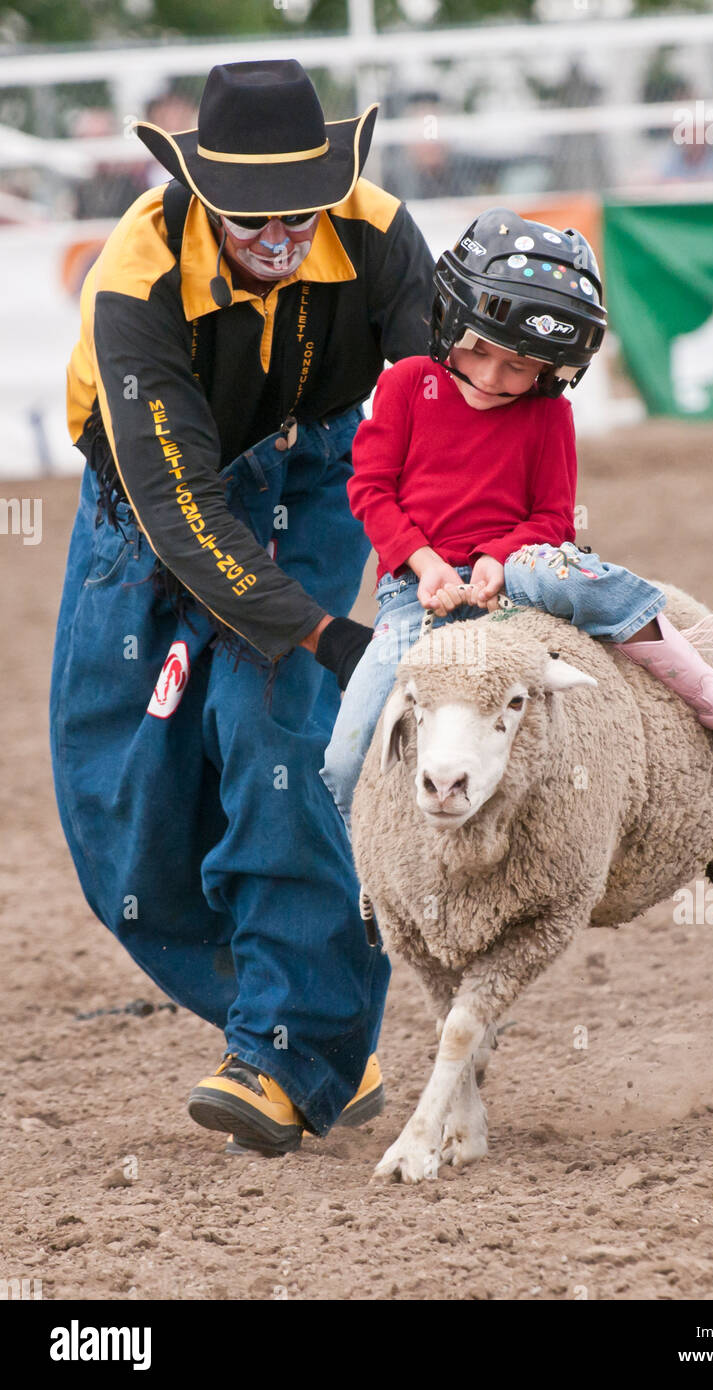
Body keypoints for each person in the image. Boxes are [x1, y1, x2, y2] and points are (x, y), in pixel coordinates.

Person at [51, 58, 435, 1157]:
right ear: (201, 196)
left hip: (314, 473)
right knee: (116, 804)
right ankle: (321, 1018)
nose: (279, 232)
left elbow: (428, 407)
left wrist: (445, 557)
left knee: (267, 725)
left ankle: (286, 1041)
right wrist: (324, 631)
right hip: (148, 506)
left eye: (298, 210)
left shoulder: (378, 234)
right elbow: (178, 504)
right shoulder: (132, 280)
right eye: (249, 214)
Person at [320, 208, 713, 833]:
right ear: (449, 323)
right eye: (480, 351)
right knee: (346, 755)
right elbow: (370, 489)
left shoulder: (548, 417)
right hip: (414, 591)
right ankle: (375, 884)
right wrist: (425, 563)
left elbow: (551, 518)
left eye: (519, 366)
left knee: (568, 567)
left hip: (519, 570)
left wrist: (493, 559)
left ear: (554, 368)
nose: (491, 378)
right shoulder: (406, 384)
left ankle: (707, 689)